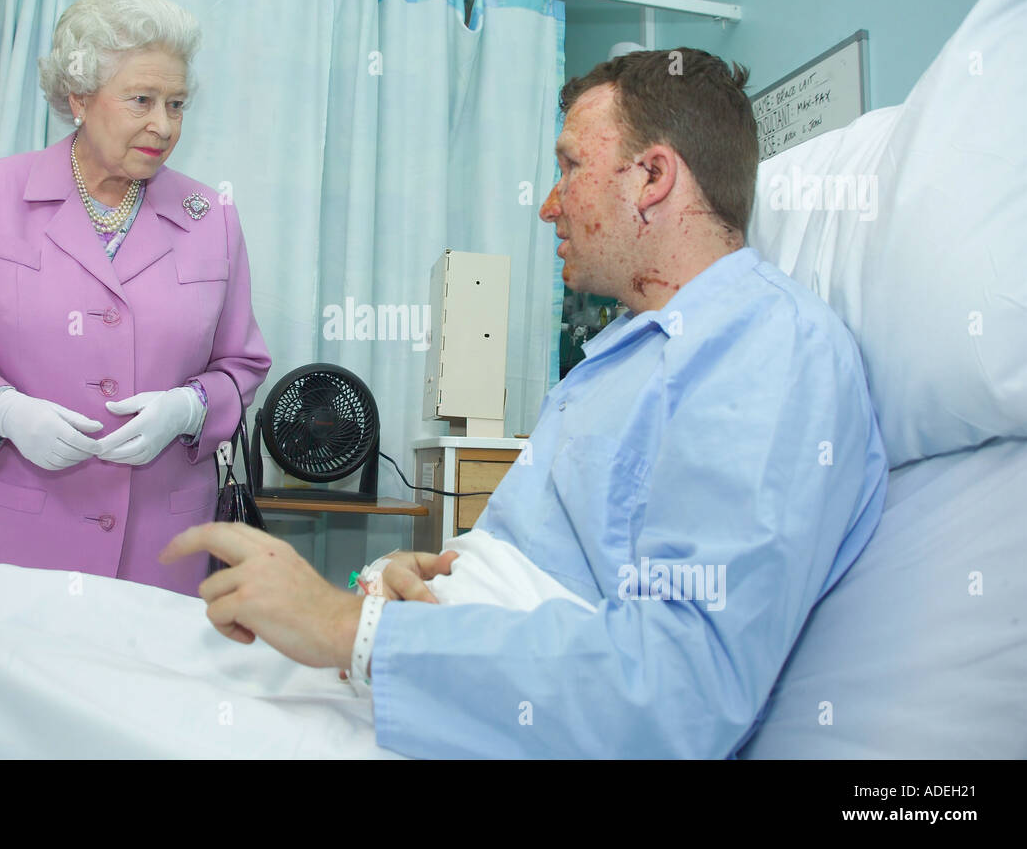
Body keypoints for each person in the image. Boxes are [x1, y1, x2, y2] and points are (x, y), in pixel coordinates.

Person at [162, 48, 889, 757]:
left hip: (493, 714)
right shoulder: (621, 359)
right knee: (115, 647)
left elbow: (680, 694)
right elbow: (539, 561)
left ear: (653, 178)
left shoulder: (769, 350)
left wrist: (350, 628)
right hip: (445, 682)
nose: (549, 206)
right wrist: (412, 580)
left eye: (570, 166)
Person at [0, 0, 271, 597]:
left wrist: (191, 407)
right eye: (141, 100)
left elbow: (241, 365)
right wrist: (5, 413)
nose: (164, 125)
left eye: (176, 104)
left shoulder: (212, 217)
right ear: (78, 98)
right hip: (12, 542)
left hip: (160, 550)